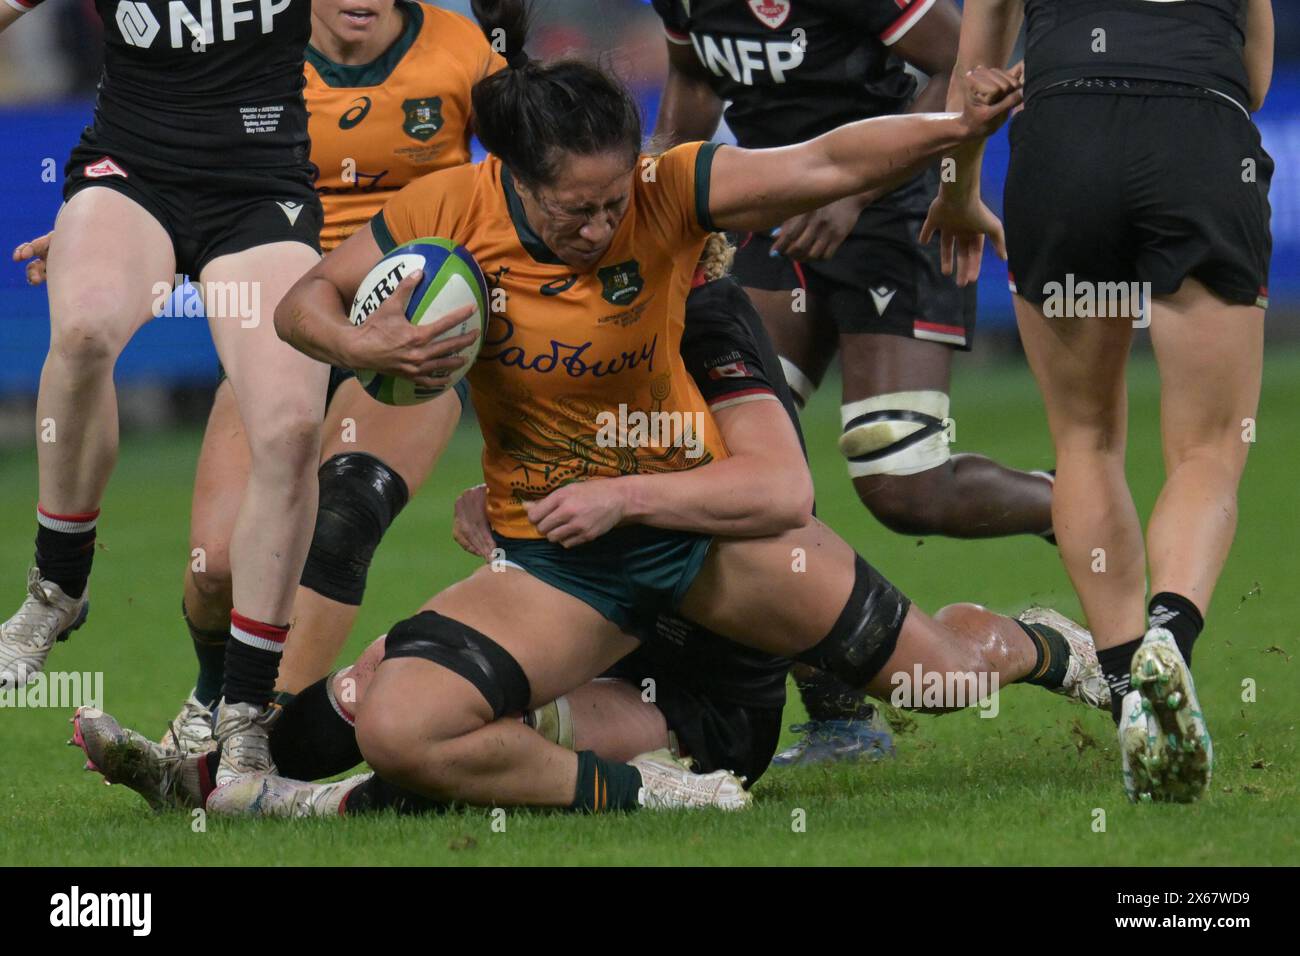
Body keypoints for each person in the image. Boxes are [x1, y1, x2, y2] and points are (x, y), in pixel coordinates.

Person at [225, 3, 1111, 816]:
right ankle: (648, 792)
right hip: (564, 566)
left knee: (947, 682)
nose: (601, 226)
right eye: (577, 210)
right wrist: (366, 347)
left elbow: (824, 162)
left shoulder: (668, 187)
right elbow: (304, 303)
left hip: (698, 533)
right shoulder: (450, 209)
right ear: (518, 182)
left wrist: (955, 127)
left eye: (614, 202)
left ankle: (1046, 646)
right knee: (398, 726)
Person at [74, 255, 1099, 814]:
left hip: (714, 638)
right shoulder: (538, 307)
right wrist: (505, 501)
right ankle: (204, 776)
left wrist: (610, 500)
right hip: (596, 610)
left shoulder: (703, 317)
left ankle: (1044, 643)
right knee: (391, 689)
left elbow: (776, 489)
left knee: (945, 679)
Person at [10, 0, 503, 756]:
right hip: (278, 293)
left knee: (340, 513)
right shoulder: (271, 57)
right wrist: (100, 231)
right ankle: (192, 688)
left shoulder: (459, 51)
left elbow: (526, 179)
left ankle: (247, 730)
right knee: (213, 569)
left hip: (392, 325)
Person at [650, 0, 1058, 764]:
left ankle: (1073, 506)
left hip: (894, 213)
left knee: (901, 483)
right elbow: (691, 77)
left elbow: (959, 62)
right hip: (774, 218)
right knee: (729, 462)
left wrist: (854, 192)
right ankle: (839, 715)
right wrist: (658, 192)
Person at [920, 0, 1274, 802]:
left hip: (1064, 133)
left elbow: (971, 82)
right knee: (1208, 447)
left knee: (1085, 441)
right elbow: (1253, 79)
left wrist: (959, 190)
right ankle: (1167, 639)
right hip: (1199, 132)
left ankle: (1125, 689)